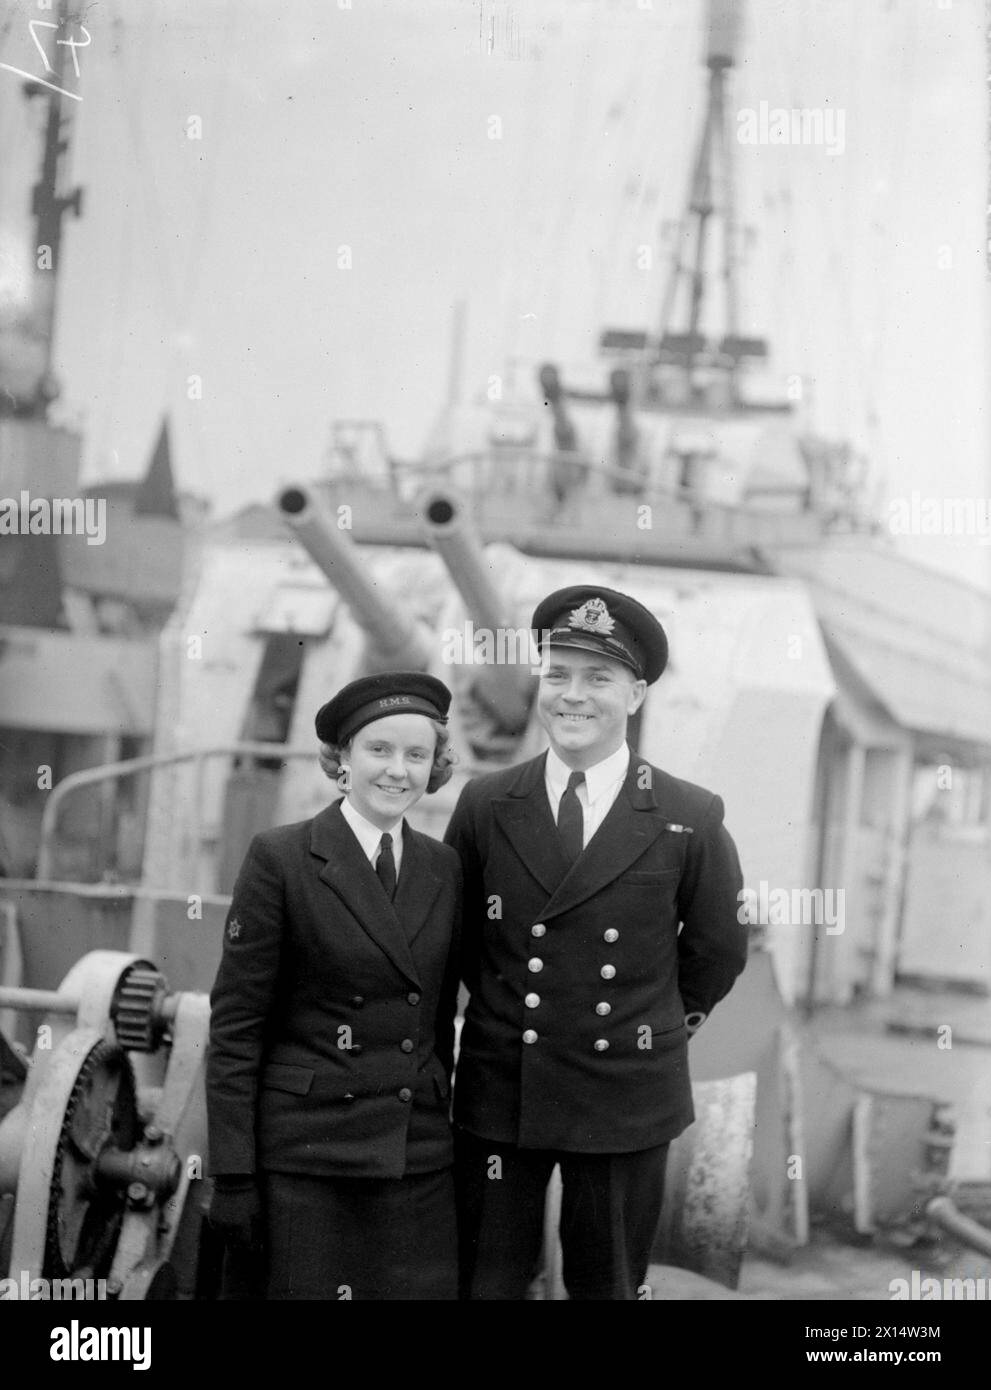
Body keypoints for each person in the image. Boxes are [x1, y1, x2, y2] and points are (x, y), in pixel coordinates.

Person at [445, 585, 748, 1300]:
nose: (571, 696)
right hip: (500, 1094)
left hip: (624, 1100)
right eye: (557, 675)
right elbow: (456, 942)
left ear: (635, 694)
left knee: (606, 1286)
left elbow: (717, 949)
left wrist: (652, 1028)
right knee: (482, 1285)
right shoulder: (487, 803)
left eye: (597, 678)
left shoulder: (687, 816)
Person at [206, 672, 462, 1300]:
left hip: (415, 1160)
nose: (396, 770)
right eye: (378, 749)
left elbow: (434, 1023)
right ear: (342, 759)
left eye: (416, 754)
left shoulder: (444, 866)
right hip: (308, 1159)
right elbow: (236, 1029)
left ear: (434, 767)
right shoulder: (282, 858)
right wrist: (235, 1176)